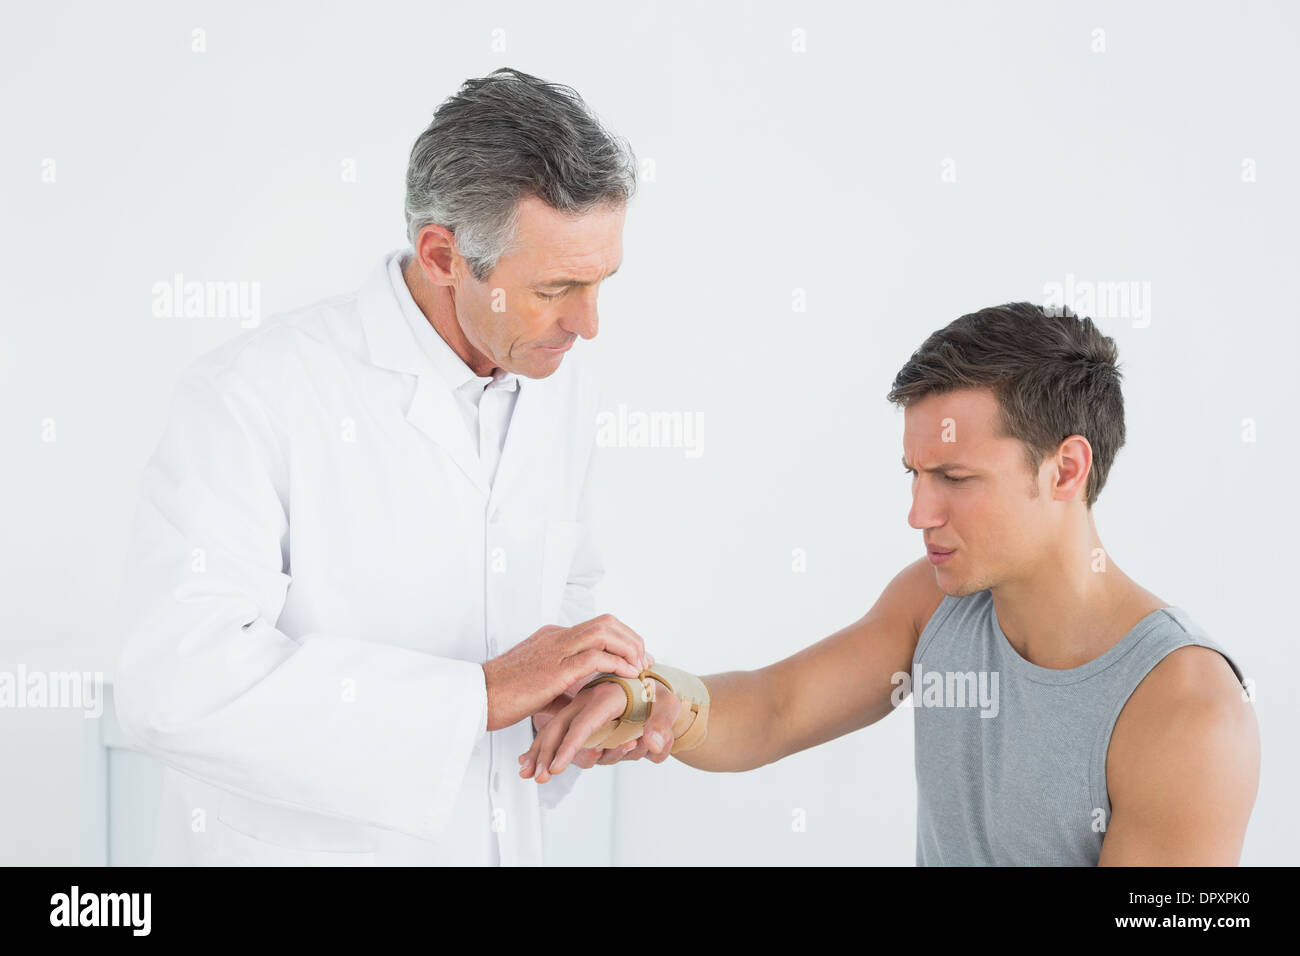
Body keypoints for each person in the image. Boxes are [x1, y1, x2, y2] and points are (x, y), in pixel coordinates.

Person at [114, 67, 650, 866]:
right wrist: (479, 695)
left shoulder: (558, 383)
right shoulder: (253, 396)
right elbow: (178, 685)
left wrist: (589, 695)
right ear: (442, 256)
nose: (590, 323)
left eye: (602, 282)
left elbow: (564, 592)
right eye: (556, 287)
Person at [522, 303, 1261, 865]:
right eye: (914, 475)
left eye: (955, 478)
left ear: (1065, 469)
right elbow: (774, 708)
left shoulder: (1190, 710)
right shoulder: (935, 605)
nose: (918, 513)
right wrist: (644, 696)